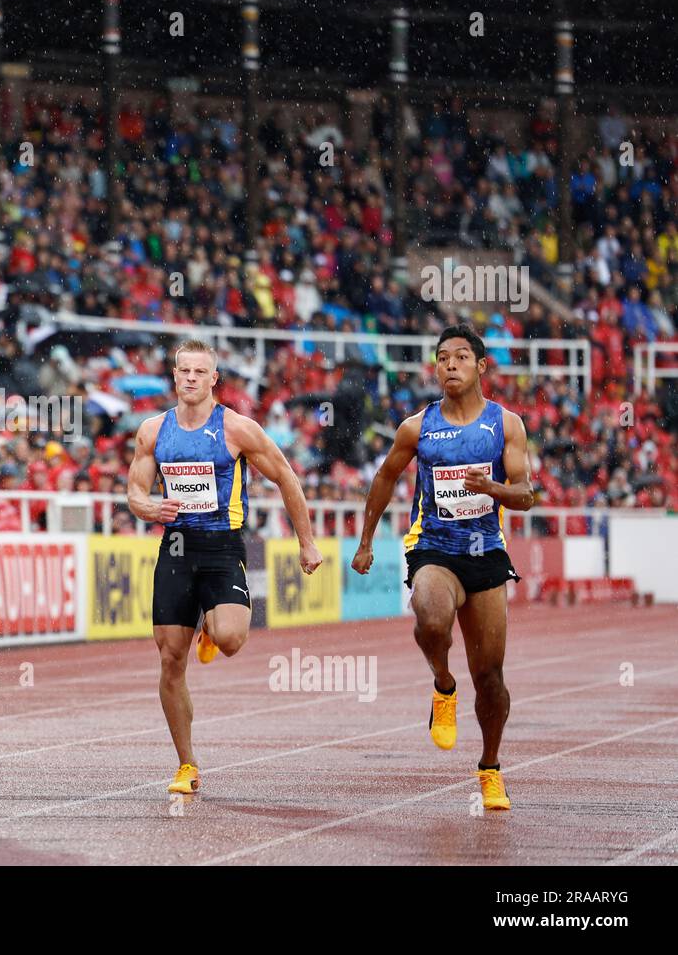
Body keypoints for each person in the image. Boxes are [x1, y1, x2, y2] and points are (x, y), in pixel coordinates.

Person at [127, 339, 322, 796]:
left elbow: (286, 477)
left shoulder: (236, 429)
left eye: (201, 371)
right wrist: (149, 507)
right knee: (171, 659)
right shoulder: (152, 431)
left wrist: (306, 542)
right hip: (174, 549)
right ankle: (186, 764)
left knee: (232, 639)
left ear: (214, 379)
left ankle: (212, 628)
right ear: (174, 377)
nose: (191, 378)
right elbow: (134, 492)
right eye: (184, 371)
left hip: (221, 548)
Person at [351, 324, 534, 811]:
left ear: (480, 366)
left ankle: (490, 768)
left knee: (491, 677)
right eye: (441, 358)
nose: (449, 365)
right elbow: (385, 478)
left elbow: (526, 494)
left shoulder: (505, 424)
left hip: (486, 553)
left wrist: (490, 488)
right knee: (431, 617)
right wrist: (366, 541)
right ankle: (443, 685)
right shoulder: (417, 427)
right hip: (433, 547)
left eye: (459, 357)